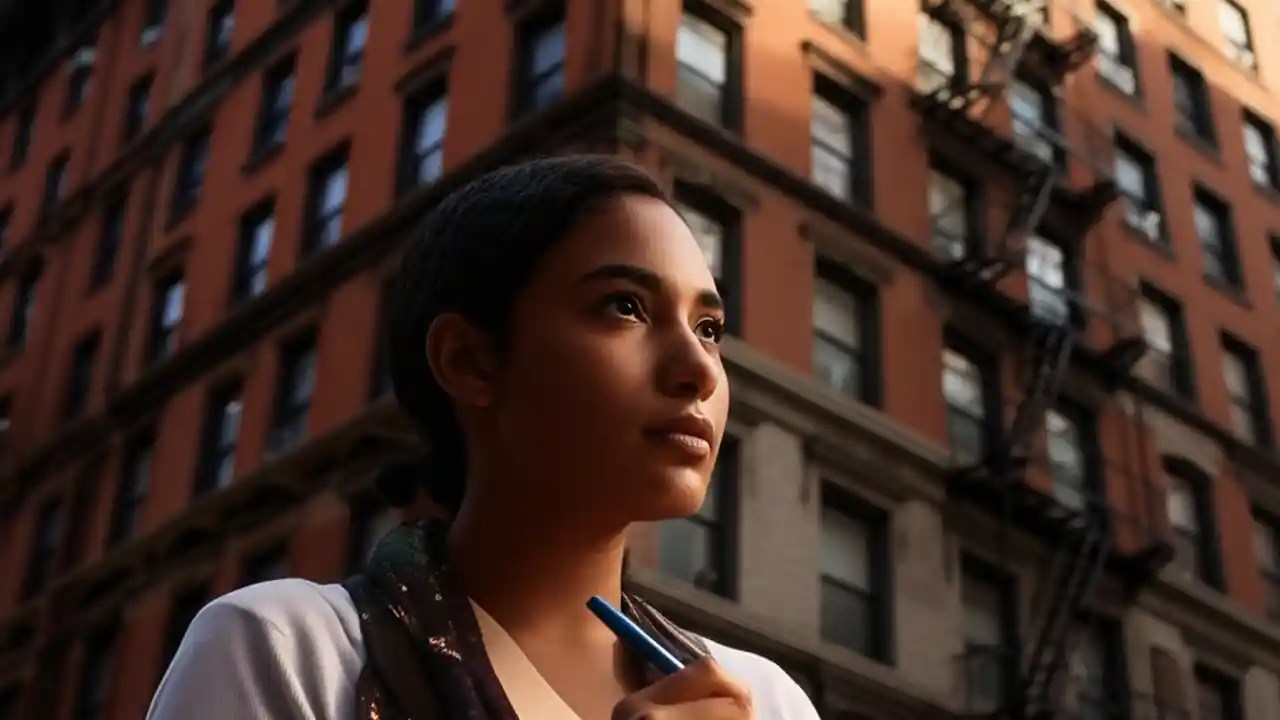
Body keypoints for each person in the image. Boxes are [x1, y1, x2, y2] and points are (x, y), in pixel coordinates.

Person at [146, 155, 821, 719]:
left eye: (709, 328)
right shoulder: (289, 651)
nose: (700, 369)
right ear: (469, 360)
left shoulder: (767, 702)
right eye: (625, 306)